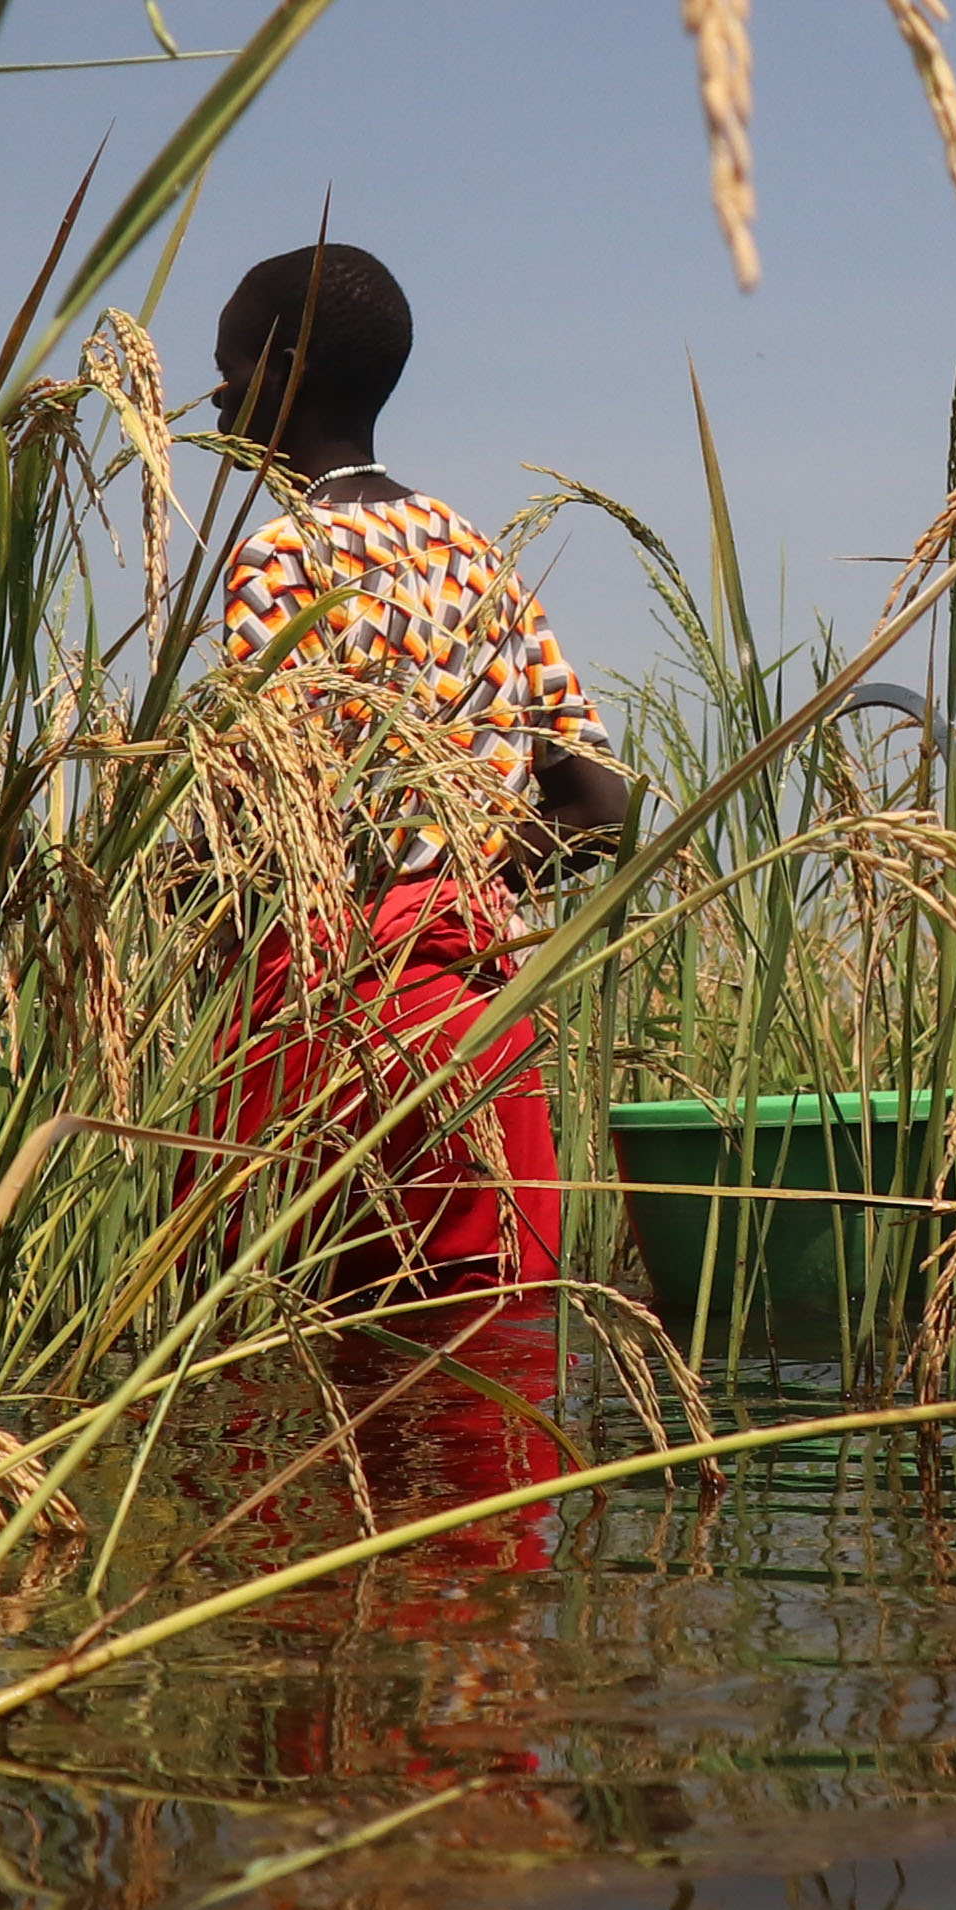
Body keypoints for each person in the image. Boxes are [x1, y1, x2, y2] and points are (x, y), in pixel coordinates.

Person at [200, 240, 639, 1296]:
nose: (215, 399)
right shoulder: (472, 550)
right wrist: (459, 893)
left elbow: (270, 826)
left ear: (288, 367)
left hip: (334, 1018)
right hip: (481, 1021)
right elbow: (599, 807)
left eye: (232, 368)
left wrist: (198, 883)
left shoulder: (282, 556)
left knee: (319, 1386)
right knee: (482, 1365)